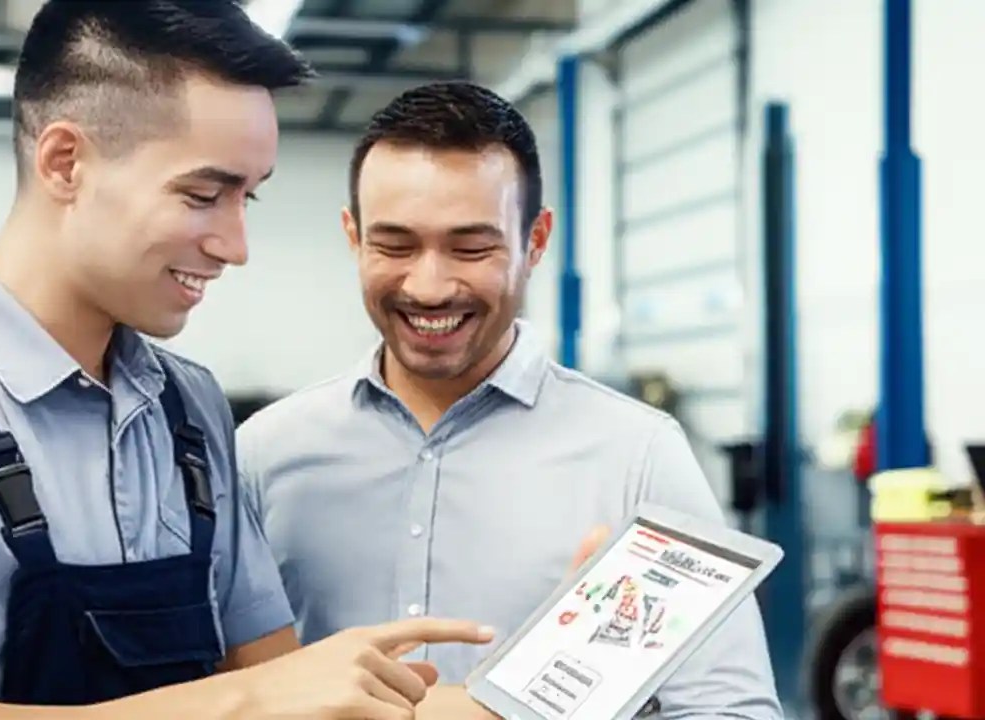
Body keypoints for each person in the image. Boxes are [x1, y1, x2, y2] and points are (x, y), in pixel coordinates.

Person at [0, 4, 496, 719]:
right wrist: (239, 701)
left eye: (248, 198)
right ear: (65, 162)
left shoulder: (189, 406)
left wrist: (564, 680)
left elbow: (286, 683)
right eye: (204, 194)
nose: (235, 245)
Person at [236, 82, 784, 719]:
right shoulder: (264, 454)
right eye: (395, 246)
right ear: (353, 237)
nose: (430, 285)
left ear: (536, 240)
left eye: (472, 248)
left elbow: (732, 710)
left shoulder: (637, 456)